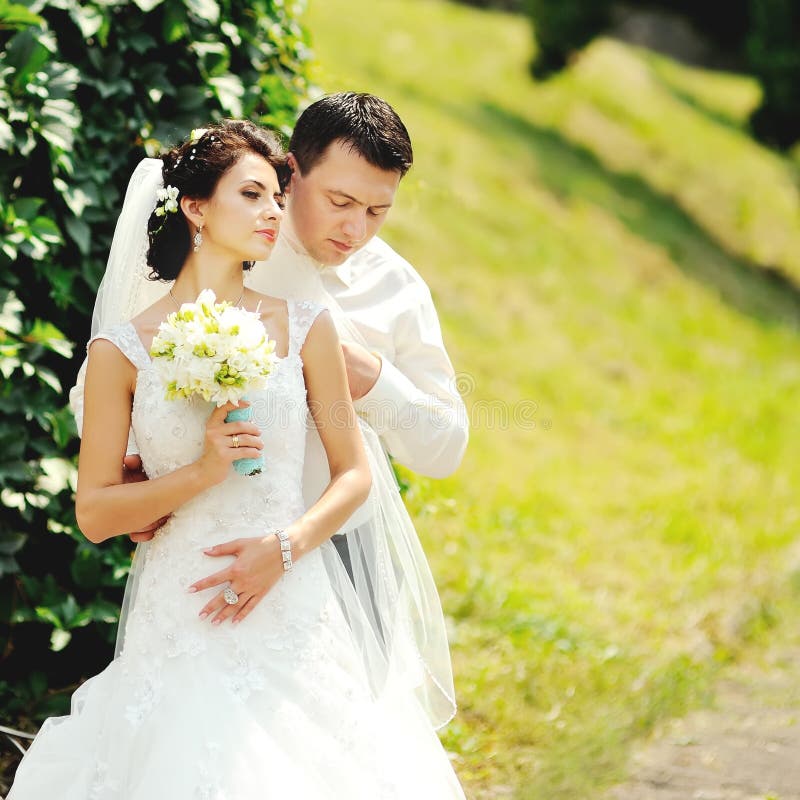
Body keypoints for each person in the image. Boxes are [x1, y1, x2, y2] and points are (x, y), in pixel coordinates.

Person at [8, 120, 466, 798]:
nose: (356, 228)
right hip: (185, 571)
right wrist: (155, 472)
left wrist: (369, 377)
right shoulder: (233, 229)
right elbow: (106, 413)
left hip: (324, 550)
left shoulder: (371, 296)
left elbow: (441, 444)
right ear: (296, 172)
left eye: (378, 211)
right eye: (340, 203)